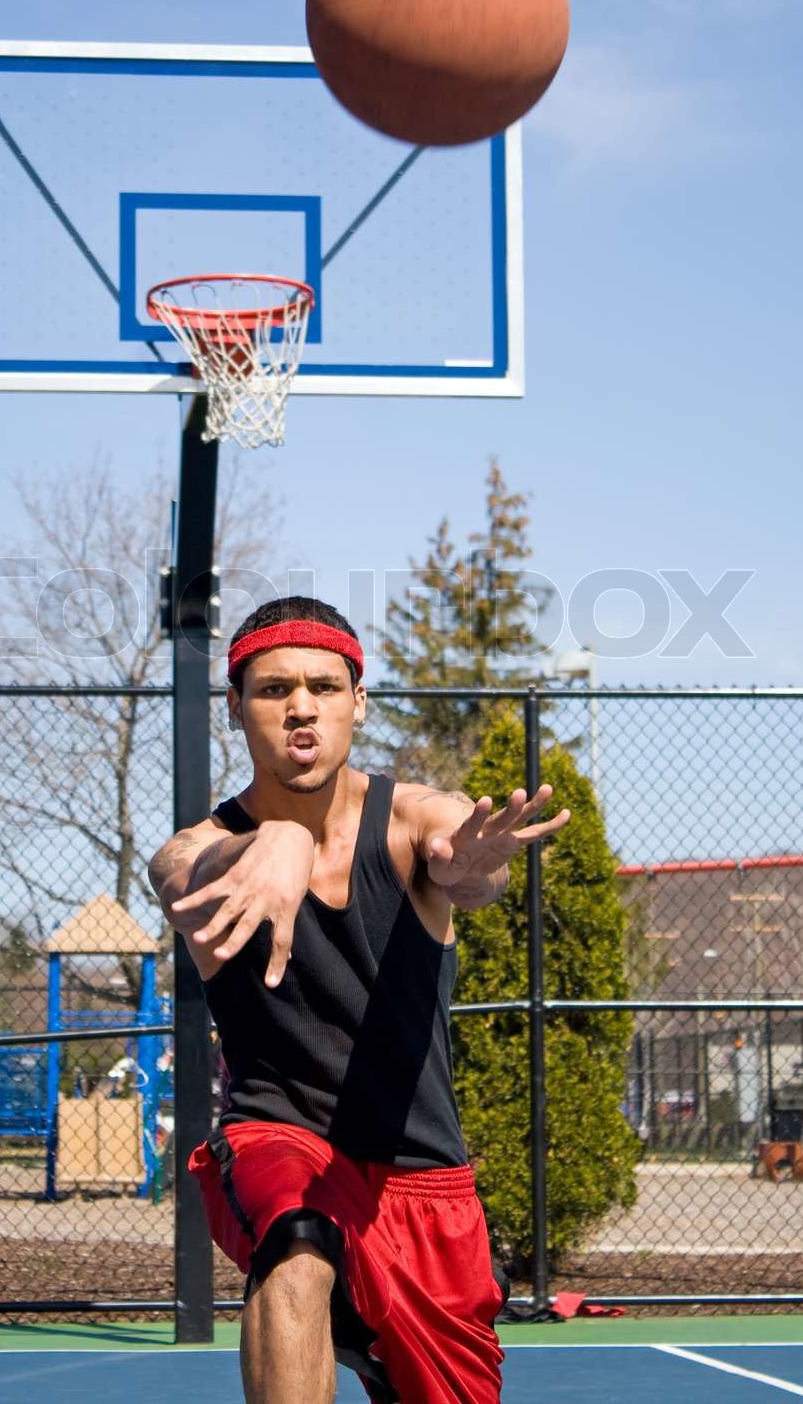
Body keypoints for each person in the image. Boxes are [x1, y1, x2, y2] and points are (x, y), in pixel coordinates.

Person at [148, 598, 570, 1404]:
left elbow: (467, 863)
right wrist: (275, 841)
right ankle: (327, 1293)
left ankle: (367, 1335)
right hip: (284, 1137)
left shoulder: (413, 820)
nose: (301, 708)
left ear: (357, 702)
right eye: (273, 690)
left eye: (323, 687)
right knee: (295, 1241)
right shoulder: (199, 849)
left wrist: (472, 868)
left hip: (422, 1184)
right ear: (234, 707)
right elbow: (180, 875)